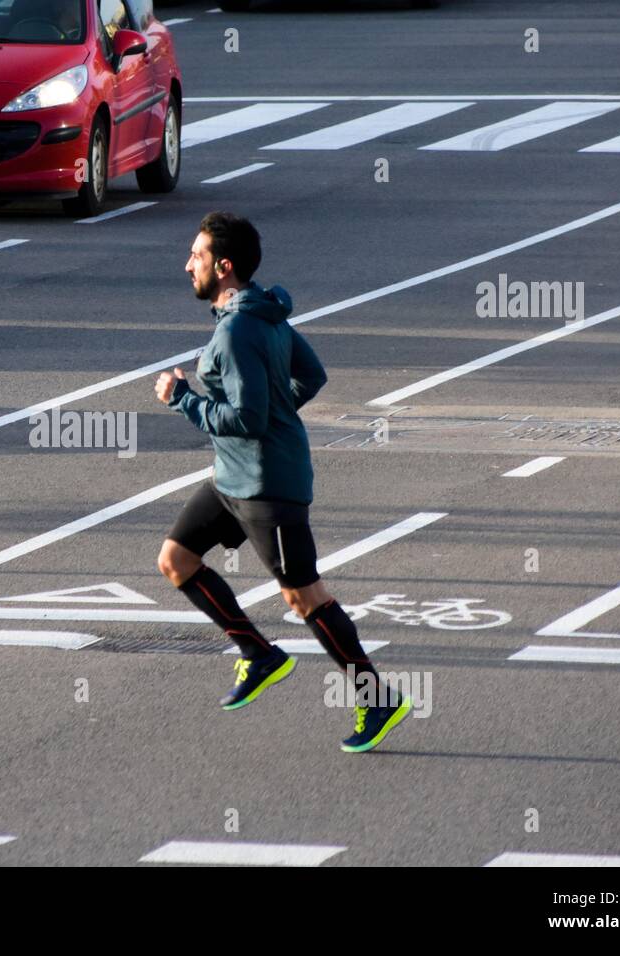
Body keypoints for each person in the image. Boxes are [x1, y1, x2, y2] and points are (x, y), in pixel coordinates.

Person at [154, 211, 412, 753]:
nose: (187, 266)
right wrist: (277, 413)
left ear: (223, 267)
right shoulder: (264, 315)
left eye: (196, 256)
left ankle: (378, 697)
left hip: (268, 488)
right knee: (176, 559)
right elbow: (310, 375)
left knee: (304, 596)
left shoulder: (237, 331)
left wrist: (184, 400)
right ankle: (258, 654)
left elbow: (246, 418)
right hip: (233, 478)